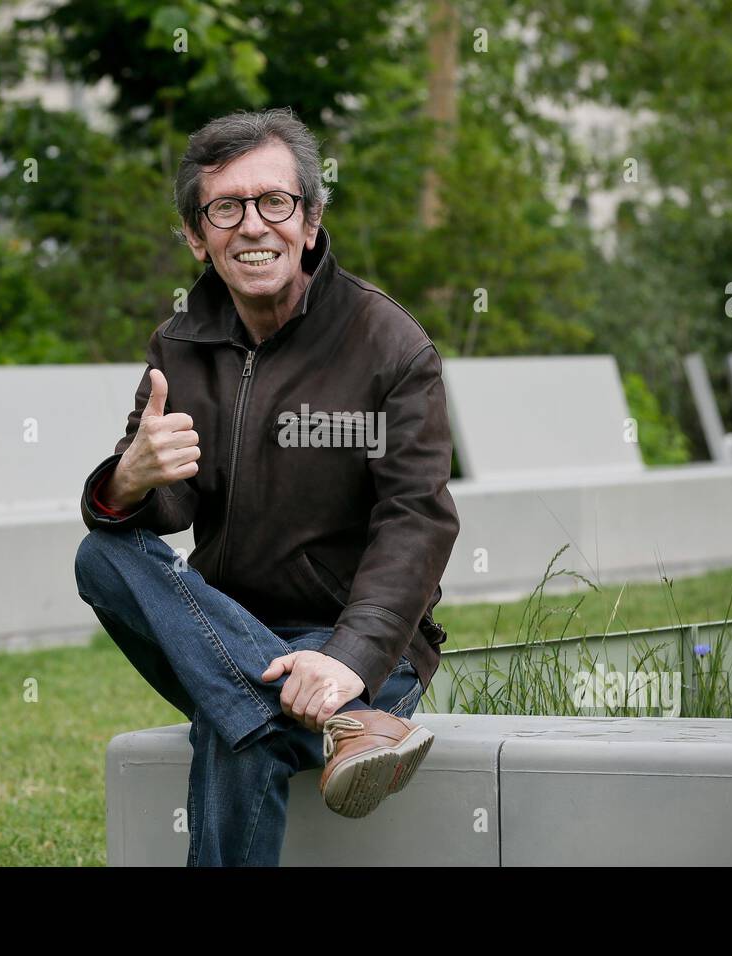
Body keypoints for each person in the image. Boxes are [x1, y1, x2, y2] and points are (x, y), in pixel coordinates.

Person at [74, 107, 460, 866]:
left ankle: (328, 703)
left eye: (274, 202)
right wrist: (131, 478)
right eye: (225, 208)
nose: (253, 226)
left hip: (353, 642)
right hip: (228, 622)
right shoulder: (178, 342)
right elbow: (166, 502)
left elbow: (416, 521)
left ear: (310, 220)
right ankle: (345, 725)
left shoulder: (390, 345)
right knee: (100, 554)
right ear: (196, 234)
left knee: (235, 731)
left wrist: (349, 658)